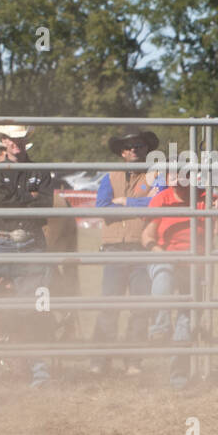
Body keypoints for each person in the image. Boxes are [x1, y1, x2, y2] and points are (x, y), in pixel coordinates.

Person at [0, 123, 61, 387]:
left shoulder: (40, 170)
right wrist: (28, 197)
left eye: (20, 140)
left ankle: (40, 374)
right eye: (11, 140)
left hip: (30, 242)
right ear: (4, 141)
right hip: (3, 241)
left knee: (34, 307)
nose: (15, 144)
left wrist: (13, 198)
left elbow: (43, 206)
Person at [92, 127, 162, 374]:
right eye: (129, 147)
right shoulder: (110, 178)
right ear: (122, 152)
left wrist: (124, 202)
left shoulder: (156, 176)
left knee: (140, 306)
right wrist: (140, 205)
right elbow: (102, 207)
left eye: (139, 146)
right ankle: (100, 359)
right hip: (114, 248)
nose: (134, 150)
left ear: (146, 150)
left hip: (142, 248)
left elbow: (158, 203)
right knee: (109, 305)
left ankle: (134, 360)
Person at [141, 172, 218, 389]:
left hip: (196, 264)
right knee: (163, 275)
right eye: (173, 176)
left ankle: (179, 376)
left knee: (187, 320)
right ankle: (160, 327)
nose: (178, 182)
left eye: (183, 175)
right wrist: (159, 252)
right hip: (167, 258)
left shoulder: (206, 198)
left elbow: (217, 232)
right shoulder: (162, 198)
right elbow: (147, 236)